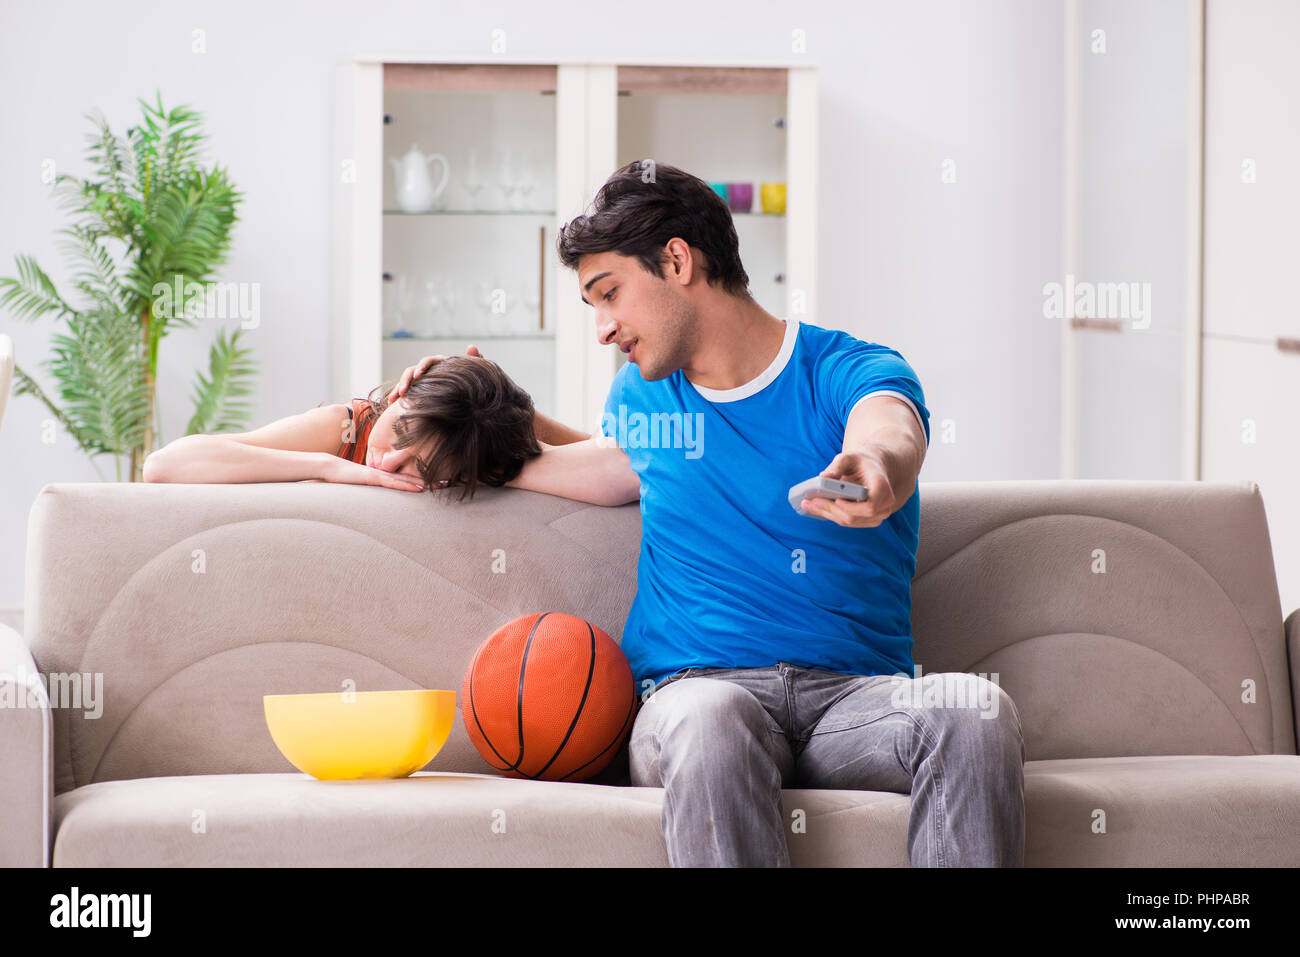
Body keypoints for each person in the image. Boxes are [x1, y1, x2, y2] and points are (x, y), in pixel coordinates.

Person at [387, 160, 1026, 867]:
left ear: (677, 260)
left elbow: (890, 426)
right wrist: (451, 401)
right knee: (712, 717)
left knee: (974, 709)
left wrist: (876, 466)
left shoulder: (845, 368)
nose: (603, 329)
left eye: (609, 295)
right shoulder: (642, 403)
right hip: (694, 696)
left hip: (854, 704)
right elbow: (541, 456)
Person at [143, 349, 545, 499]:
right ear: (402, 392)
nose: (387, 463)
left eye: (420, 468)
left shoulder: (471, 463)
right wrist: (326, 465)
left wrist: (514, 417)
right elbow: (163, 467)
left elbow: (601, 457)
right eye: (401, 430)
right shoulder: (344, 430)